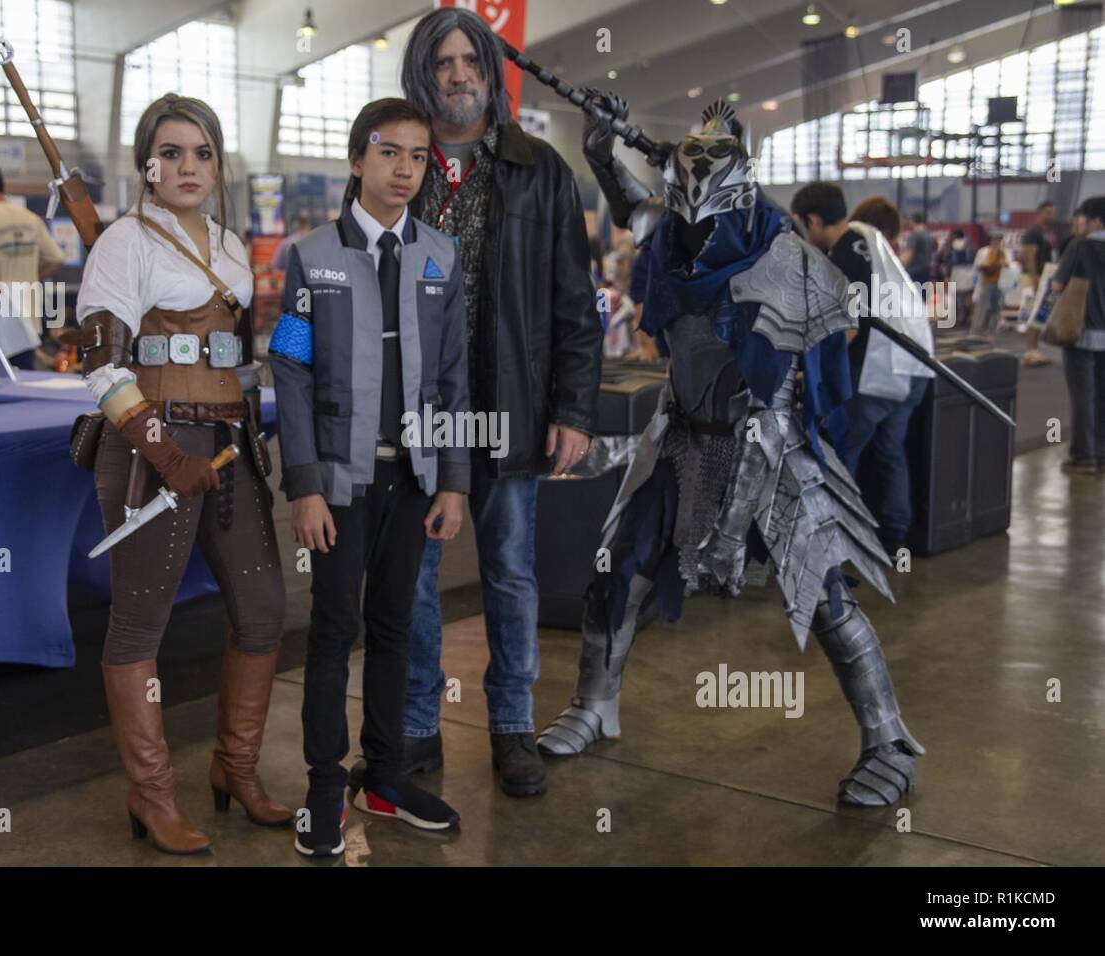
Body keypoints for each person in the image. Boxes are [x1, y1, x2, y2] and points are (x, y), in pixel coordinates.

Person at [537, 96, 924, 807]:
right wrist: (598, 149)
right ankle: (594, 704)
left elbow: (792, 380)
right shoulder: (675, 240)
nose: (689, 219)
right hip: (682, 430)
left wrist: (726, 531)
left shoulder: (784, 258)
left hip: (772, 440)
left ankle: (889, 740)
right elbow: (636, 210)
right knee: (619, 567)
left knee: (823, 592)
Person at [75, 93, 290, 855]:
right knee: (140, 625)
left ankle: (235, 770)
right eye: (171, 152)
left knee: (265, 611)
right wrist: (165, 452)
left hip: (229, 450)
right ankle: (153, 794)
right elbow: (98, 358)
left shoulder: (232, 246)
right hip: (150, 454)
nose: (188, 166)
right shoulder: (124, 243)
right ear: (147, 164)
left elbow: (243, 351)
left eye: (202, 152)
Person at [398, 5, 603, 797]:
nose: (458, 75)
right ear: (424, 72)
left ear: (491, 72)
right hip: (418, 416)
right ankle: (417, 726)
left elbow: (575, 304)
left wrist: (575, 410)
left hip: (510, 407)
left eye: (471, 62)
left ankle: (513, 729)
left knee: (510, 573)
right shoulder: (397, 160)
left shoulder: (538, 169)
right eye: (444, 62)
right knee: (412, 575)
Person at [269, 98, 469, 857]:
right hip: (340, 484)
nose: (405, 169)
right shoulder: (310, 255)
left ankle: (384, 776)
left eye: (419, 156)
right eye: (390, 153)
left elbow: (452, 378)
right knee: (333, 631)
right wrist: (305, 483)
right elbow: (288, 371)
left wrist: (453, 480)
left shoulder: (439, 257)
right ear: (358, 160)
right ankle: (324, 790)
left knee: (395, 629)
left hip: (414, 481)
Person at [792, 183, 933, 554]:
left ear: (813, 220)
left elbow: (847, 329)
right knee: (890, 451)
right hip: (913, 364)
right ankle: (894, 535)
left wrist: (813, 370)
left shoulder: (844, 255)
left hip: (878, 373)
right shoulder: (871, 240)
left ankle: (835, 540)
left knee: (840, 454)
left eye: (804, 229)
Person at [0, 160, 65, 370]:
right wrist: (30, 279)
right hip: (24, 324)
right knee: (22, 391)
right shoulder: (30, 219)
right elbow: (56, 259)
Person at [1051, 195, 1105, 475]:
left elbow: (1058, 286)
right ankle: (1101, 451)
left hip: (1081, 331)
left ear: (1095, 220)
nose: (1077, 222)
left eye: (1081, 217)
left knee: (1083, 395)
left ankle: (1084, 455)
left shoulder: (1080, 247)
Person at [1020, 201, 1057, 367]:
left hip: (1045, 276)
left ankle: (1034, 349)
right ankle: (1030, 351)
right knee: (1030, 314)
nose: (1051, 216)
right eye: (1048, 213)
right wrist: (1035, 278)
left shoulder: (1048, 232)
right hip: (1032, 278)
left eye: (1053, 213)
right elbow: (1029, 256)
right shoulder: (1033, 232)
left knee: (1040, 314)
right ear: (1039, 213)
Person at [972, 232, 1008, 338]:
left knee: (996, 307)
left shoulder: (1003, 253)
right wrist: (994, 264)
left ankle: (992, 330)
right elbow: (979, 266)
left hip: (1000, 282)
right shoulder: (983, 252)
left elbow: (1008, 265)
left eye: (999, 240)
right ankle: (976, 331)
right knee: (982, 306)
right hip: (987, 282)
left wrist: (1004, 264)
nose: (997, 242)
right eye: (995, 240)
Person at [900, 212, 935, 285]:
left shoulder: (914, 236)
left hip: (914, 273)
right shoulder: (928, 236)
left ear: (913, 221)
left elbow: (908, 255)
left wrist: (900, 265)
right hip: (926, 273)